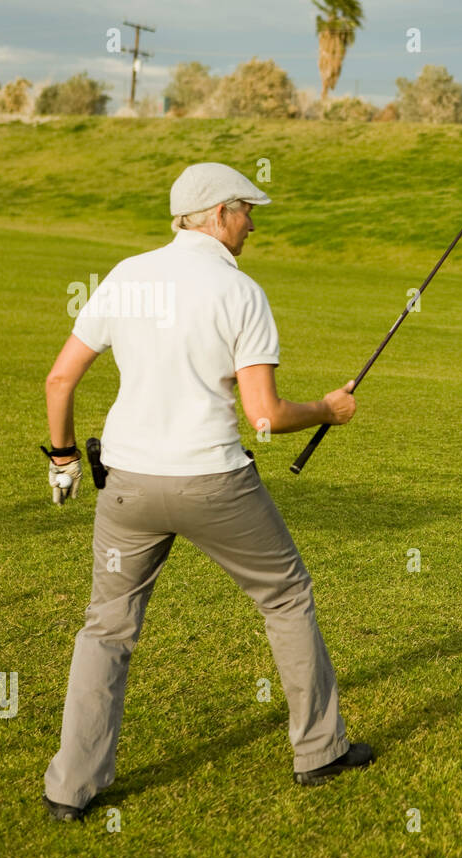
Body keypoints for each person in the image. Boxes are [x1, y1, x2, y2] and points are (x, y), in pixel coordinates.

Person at [41, 162, 372, 821]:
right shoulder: (240, 291)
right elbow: (266, 416)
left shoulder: (127, 274)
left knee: (106, 629)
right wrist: (327, 410)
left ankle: (69, 791)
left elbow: (59, 380)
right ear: (218, 214)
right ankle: (319, 751)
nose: (254, 222)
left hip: (126, 487)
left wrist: (62, 458)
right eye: (247, 210)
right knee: (286, 597)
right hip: (213, 482)